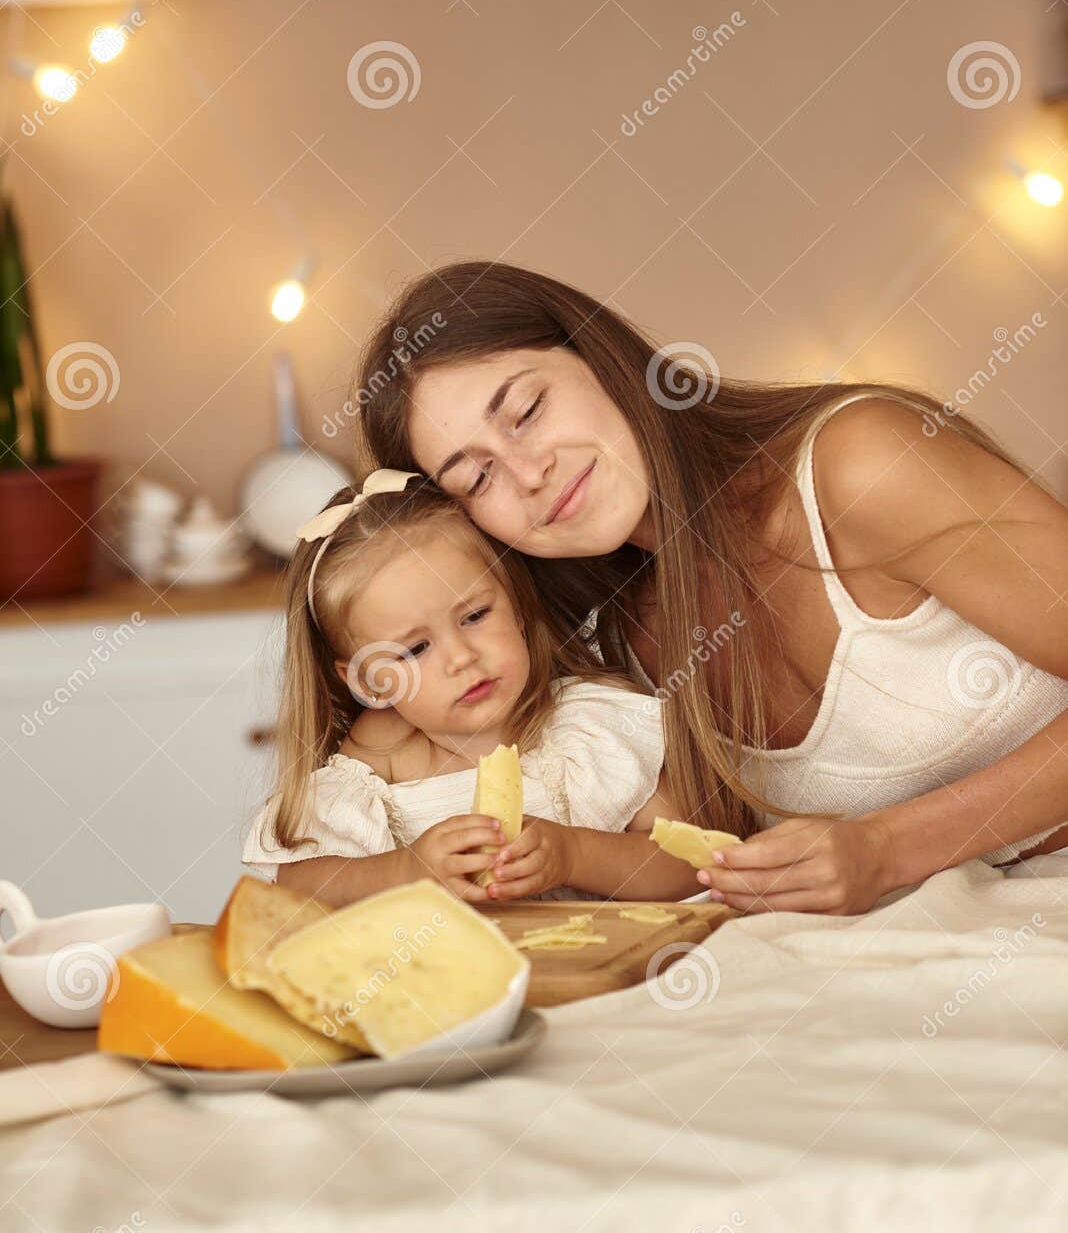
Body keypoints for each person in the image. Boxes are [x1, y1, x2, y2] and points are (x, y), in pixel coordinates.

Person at [352, 259, 1068, 915]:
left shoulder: (860, 465)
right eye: (477, 477)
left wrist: (888, 848)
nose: (529, 472)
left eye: (527, 411)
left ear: (601, 358)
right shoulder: (611, 648)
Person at [242, 467, 693, 907]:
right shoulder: (378, 761)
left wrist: (574, 855)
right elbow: (297, 886)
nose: (462, 658)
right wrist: (405, 871)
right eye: (416, 648)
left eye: (475, 616)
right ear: (371, 682)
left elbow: (686, 861)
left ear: (516, 605)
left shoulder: (586, 727)